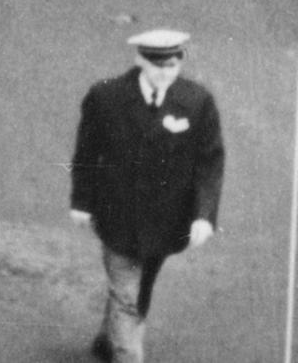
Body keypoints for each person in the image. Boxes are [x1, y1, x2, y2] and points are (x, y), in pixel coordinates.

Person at [67, 27, 223, 363]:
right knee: (128, 298)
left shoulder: (197, 102)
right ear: (140, 60)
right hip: (118, 217)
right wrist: (81, 201)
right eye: (157, 66)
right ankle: (126, 351)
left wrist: (203, 215)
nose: (165, 74)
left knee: (140, 288)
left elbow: (209, 162)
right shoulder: (106, 97)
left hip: (167, 222)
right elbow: (87, 152)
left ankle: (107, 339)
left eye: (173, 66)